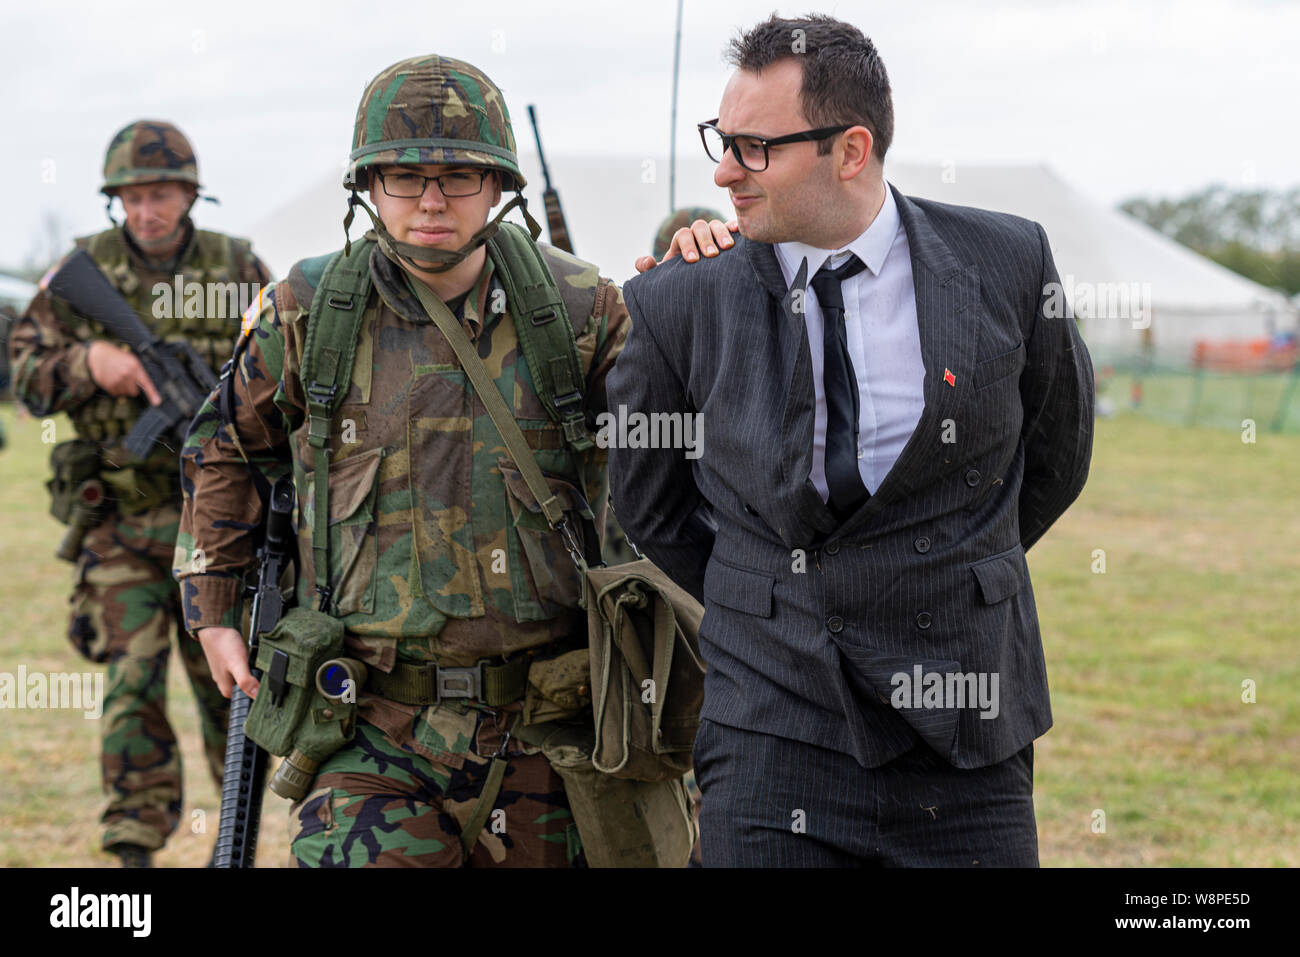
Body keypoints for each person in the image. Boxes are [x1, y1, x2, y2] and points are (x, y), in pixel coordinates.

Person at [177, 55, 720, 867]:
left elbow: (692, 425)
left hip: (553, 724)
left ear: (498, 185)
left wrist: (713, 282)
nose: (431, 199)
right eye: (405, 176)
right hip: (368, 726)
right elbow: (223, 444)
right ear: (369, 185)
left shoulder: (579, 308)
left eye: (459, 175)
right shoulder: (309, 310)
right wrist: (213, 603)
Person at [607, 14, 1095, 867]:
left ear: (851, 148)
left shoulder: (1008, 261)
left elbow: (1056, 454)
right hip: (773, 727)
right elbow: (650, 503)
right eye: (721, 141)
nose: (724, 171)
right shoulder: (679, 300)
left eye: (755, 148)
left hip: (966, 728)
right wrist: (769, 592)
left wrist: (947, 568)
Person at [9, 119, 271, 867]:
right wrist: (90, 361)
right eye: (131, 197)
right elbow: (23, 369)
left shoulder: (237, 266)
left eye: (159, 195)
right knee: (131, 686)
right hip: (119, 516)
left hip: (218, 525)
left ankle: (235, 840)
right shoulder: (83, 270)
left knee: (233, 685)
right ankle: (132, 848)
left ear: (190, 194)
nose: (146, 211)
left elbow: (285, 360)